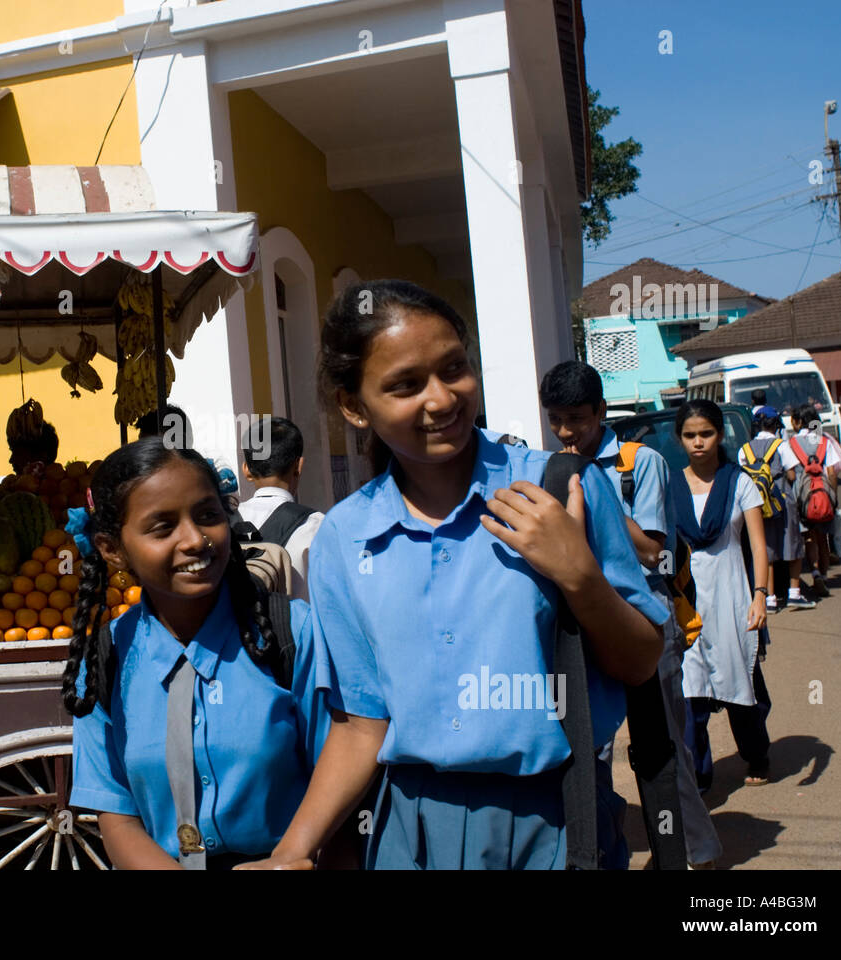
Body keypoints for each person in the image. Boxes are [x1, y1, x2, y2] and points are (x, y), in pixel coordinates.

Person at [237, 280, 665, 871]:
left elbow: (642, 659)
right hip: (409, 834)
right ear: (354, 406)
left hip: (558, 820)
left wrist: (581, 577)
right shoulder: (343, 536)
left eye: (454, 369)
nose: (441, 399)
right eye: (406, 385)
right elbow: (362, 725)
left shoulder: (560, 489)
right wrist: (291, 852)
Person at [65, 438, 329, 869]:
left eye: (208, 515)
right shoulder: (105, 659)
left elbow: (338, 781)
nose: (195, 540)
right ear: (112, 549)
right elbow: (117, 818)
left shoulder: (291, 634)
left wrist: (290, 857)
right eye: (162, 527)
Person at [539, 360, 722, 869]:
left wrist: (593, 499)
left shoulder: (638, 464)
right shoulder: (555, 467)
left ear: (601, 411)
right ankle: (597, 849)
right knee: (589, 747)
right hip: (585, 625)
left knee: (659, 750)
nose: (565, 431)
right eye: (556, 419)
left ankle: (694, 851)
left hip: (644, 624)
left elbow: (655, 552)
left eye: (576, 417)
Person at [671, 400, 772, 790]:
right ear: (680, 439)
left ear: (719, 435)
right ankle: (700, 775)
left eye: (706, 434)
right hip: (688, 602)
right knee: (690, 692)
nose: (699, 443)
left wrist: (760, 595)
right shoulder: (671, 485)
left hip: (733, 597)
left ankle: (756, 753)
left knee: (741, 687)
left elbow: (759, 547)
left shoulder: (739, 481)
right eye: (690, 435)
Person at [235, 417, 325, 602]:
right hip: (292, 629)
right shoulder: (317, 525)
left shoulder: (223, 522)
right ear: (298, 466)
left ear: (246, 470)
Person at [739, 407, 812, 612]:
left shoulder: (744, 449)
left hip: (757, 505)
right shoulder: (781, 446)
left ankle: (769, 598)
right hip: (782, 502)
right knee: (793, 546)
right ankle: (794, 593)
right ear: (776, 425)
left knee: (766, 549)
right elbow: (791, 475)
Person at [790, 403, 841, 597]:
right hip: (823, 497)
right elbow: (831, 473)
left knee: (809, 538)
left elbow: (790, 474)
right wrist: (833, 498)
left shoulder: (791, 443)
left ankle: (814, 573)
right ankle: (823, 575)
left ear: (797, 421)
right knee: (823, 539)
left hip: (802, 499)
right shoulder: (824, 441)